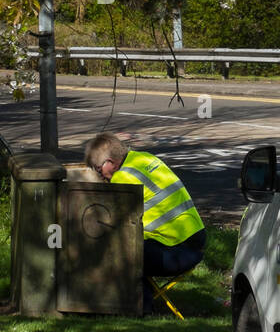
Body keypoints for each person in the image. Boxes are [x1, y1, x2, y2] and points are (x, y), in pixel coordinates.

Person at [84, 133, 206, 313]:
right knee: (130, 246)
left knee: (114, 251)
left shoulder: (122, 179)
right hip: (195, 242)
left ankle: (140, 309)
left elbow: (113, 225)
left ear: (110, 162)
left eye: (98, 169)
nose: (99, 175)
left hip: (175, 253)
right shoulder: (144, 158)